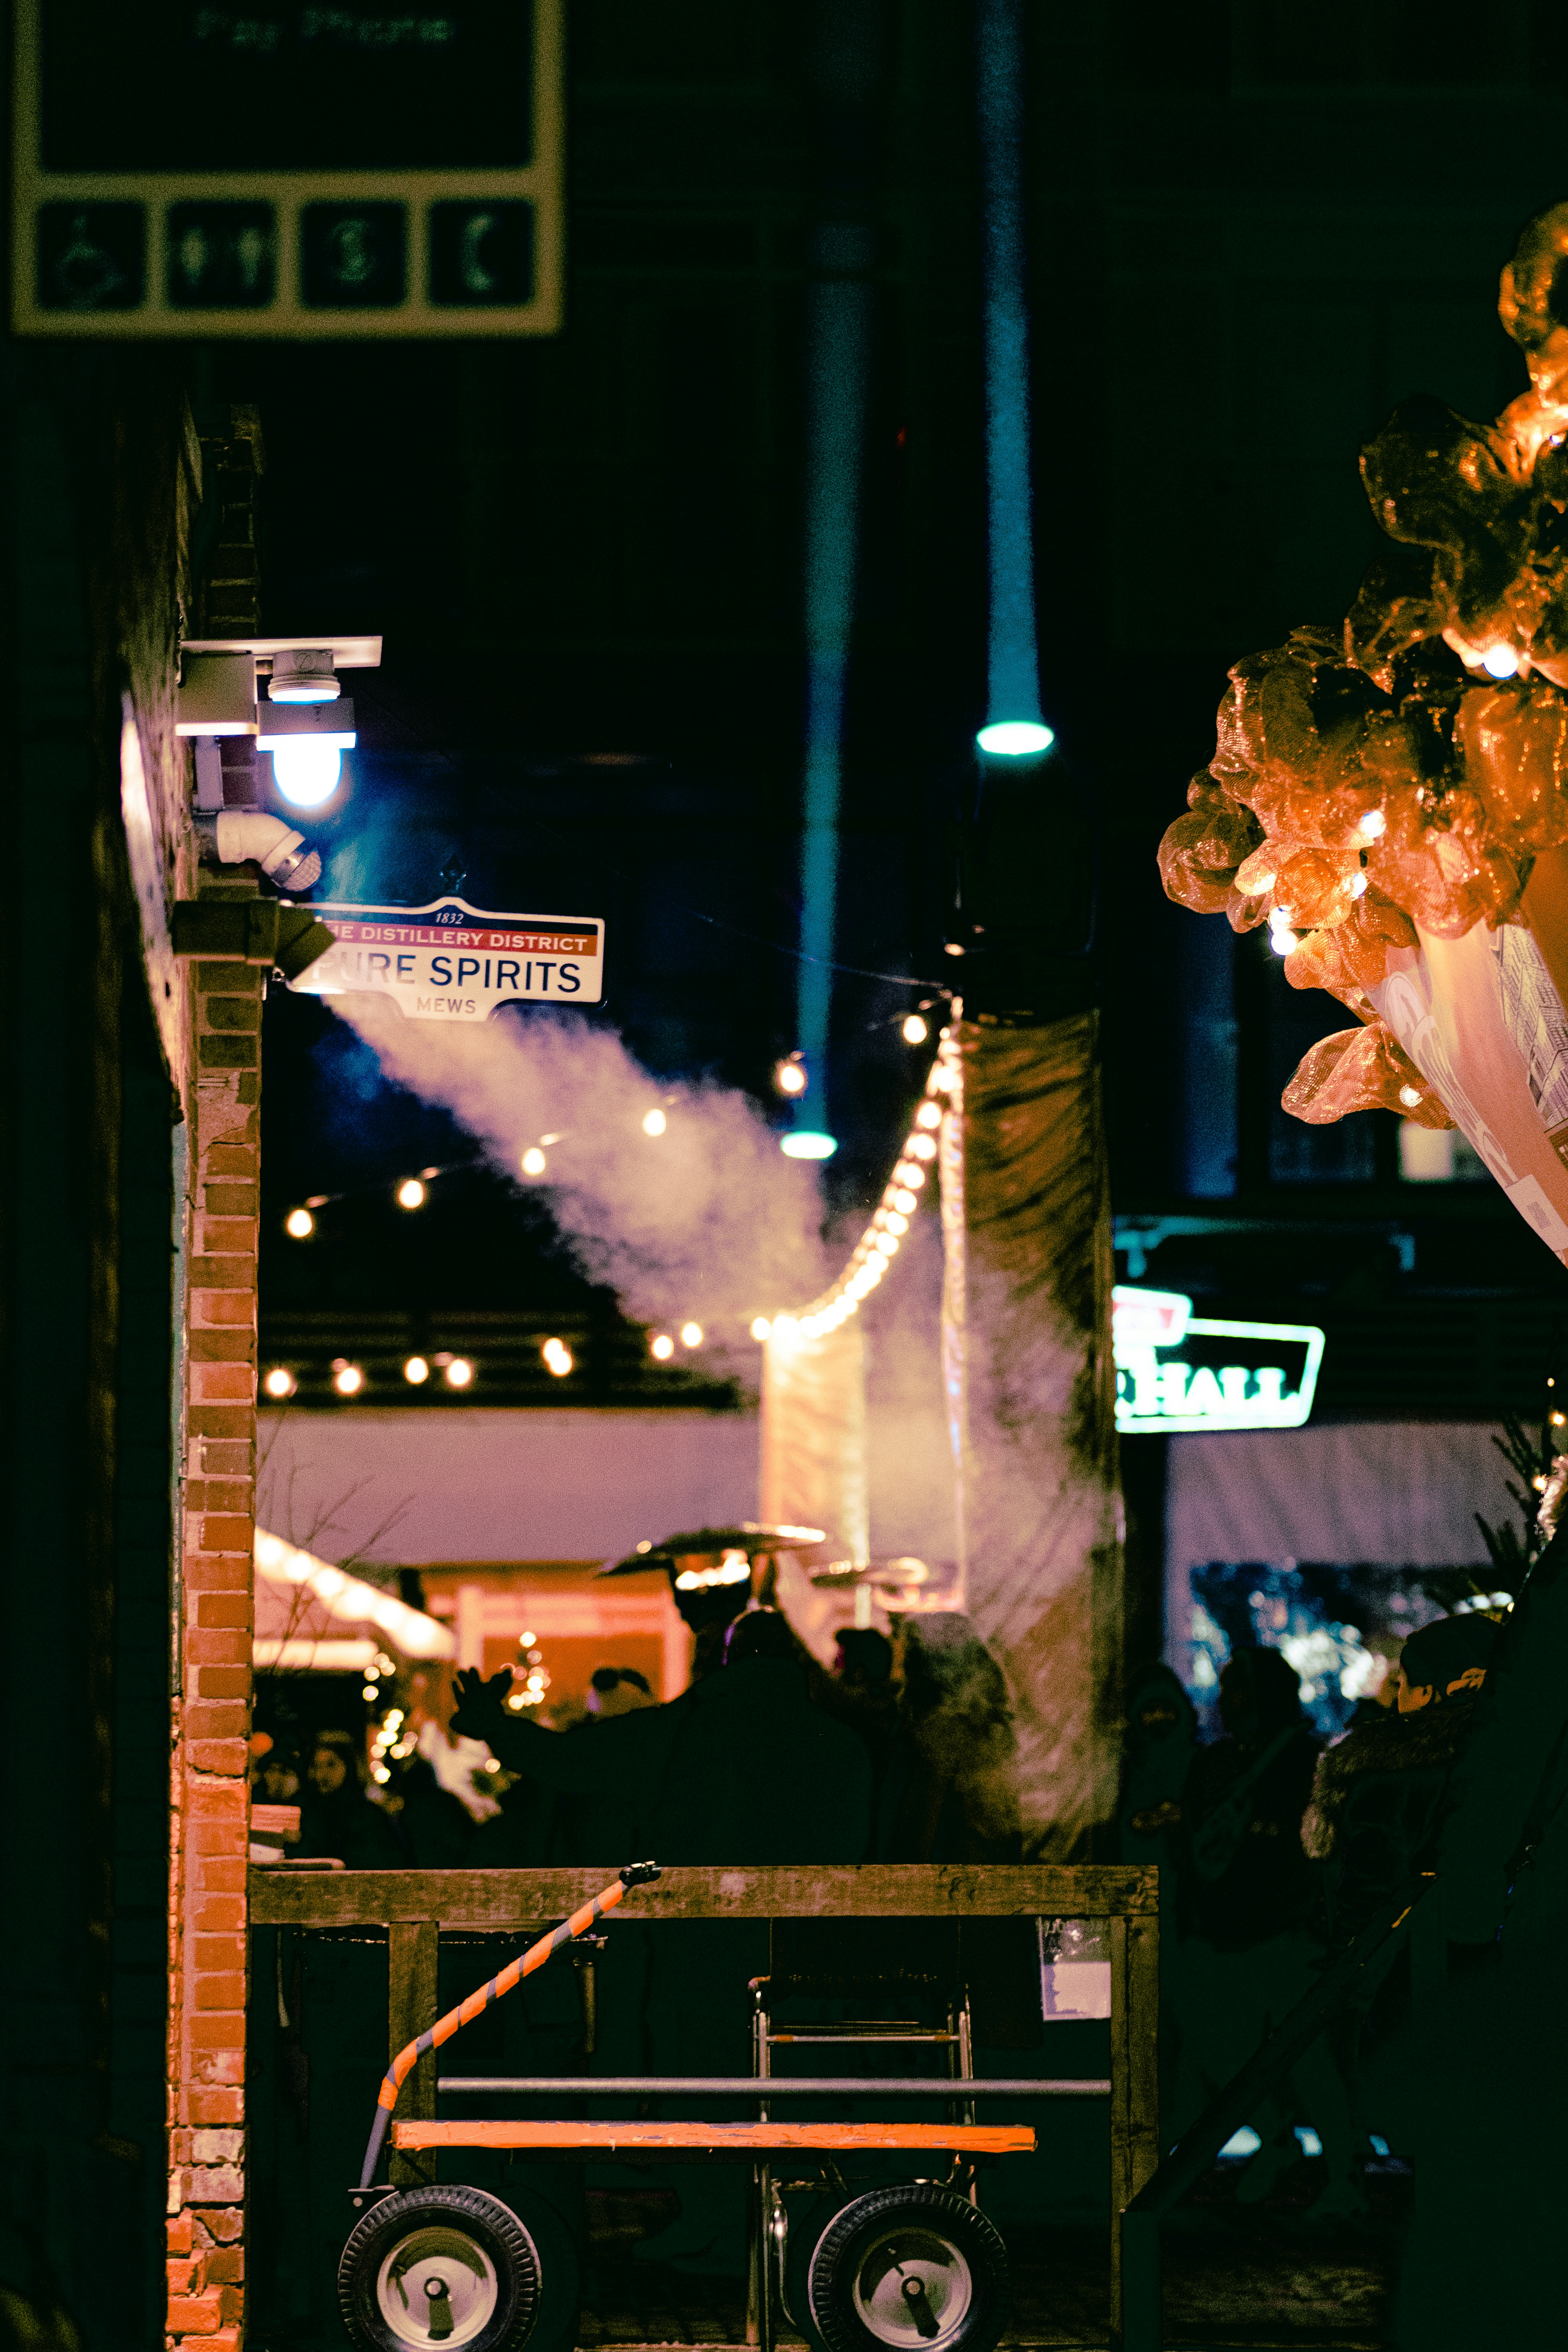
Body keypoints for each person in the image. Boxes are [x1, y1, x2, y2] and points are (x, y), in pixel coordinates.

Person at [1174, 1645, 1360, 2214]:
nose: (1229, 1702)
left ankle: (1334, 2172)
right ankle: (1312, 2161)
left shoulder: (1301, 1762)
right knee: (1236, 2052)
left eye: (1238, 1689)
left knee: (1302, 2058)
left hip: (1278, 1933)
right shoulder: (1278, 1759)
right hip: (1241, 1932)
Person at [296, 1728, 406, 1869]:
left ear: (349, 1767)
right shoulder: (307, 1813)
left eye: (331, 1765)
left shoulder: (368, 1818)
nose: (322, 1774)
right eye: (316, 1766)